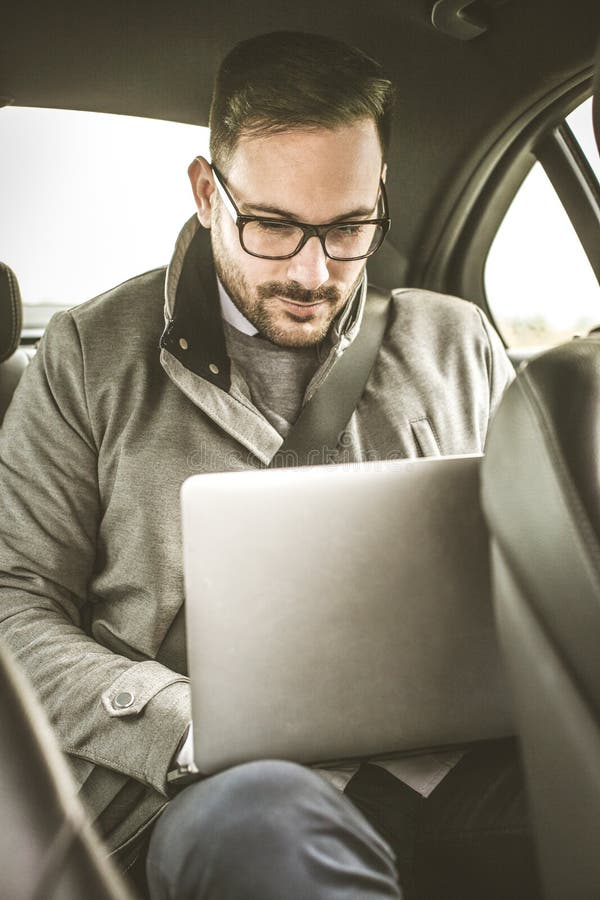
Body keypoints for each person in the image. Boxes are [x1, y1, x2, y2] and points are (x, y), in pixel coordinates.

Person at [0, 30, 541, 900]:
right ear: (208, 192)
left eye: (350, 228)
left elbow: (527, 568)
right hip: (211, 790)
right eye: (274, 226)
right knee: (266, 829)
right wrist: (184, 725)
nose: (314, 270)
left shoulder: (456, 341)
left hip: (444, 766)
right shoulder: (88, 356)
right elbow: (12, 607)